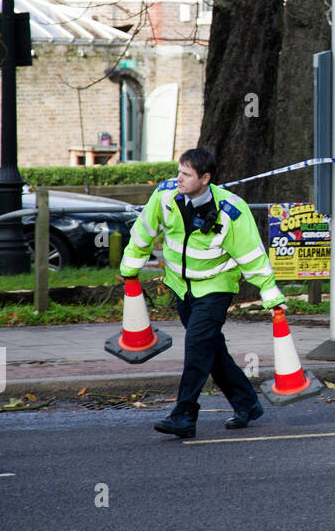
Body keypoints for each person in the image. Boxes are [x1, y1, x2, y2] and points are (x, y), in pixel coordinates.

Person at [119, 147, 286, 439]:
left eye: (186, 174)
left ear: (205, 178)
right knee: (211, 350)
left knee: (197, 346)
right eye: (178, 172)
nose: (178, 179)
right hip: (181, 287)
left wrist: (270, 293)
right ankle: (247, 404)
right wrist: (130, 267)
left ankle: (184, 414)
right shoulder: (166, 196)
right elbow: (143, 230)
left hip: (216, 287)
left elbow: (252, 255)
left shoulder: (231, 210)